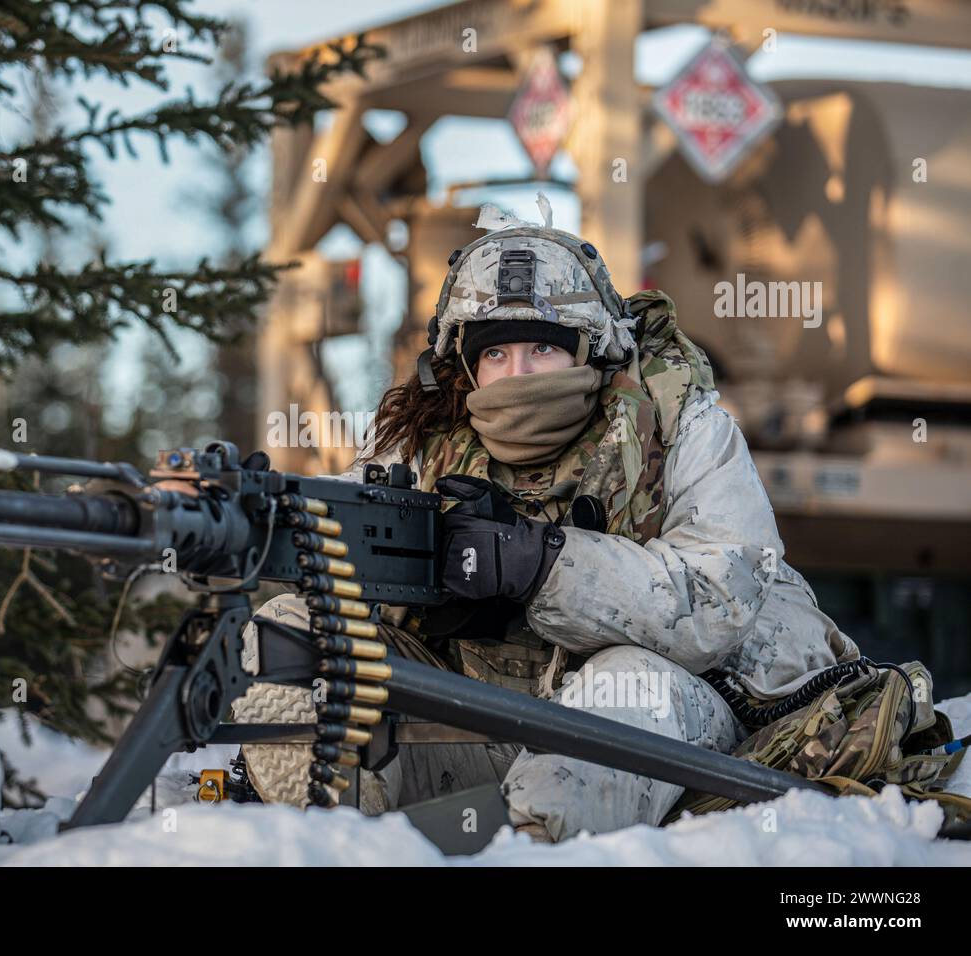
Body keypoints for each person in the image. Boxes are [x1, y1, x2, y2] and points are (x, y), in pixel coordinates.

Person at [232, 202, 860, 842]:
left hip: (657, 734)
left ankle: (528, 854)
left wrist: (544, 564)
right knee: (295, 633)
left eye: (541, 348)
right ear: (465, 364)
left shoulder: (679, 424)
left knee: (629, 685)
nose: (517, 375)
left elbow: (726, 589)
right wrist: (246, 516)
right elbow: (340, 522)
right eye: (496, 353)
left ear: (592, 350)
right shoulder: (426, 439)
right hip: (469, 729)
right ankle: (331, 844)